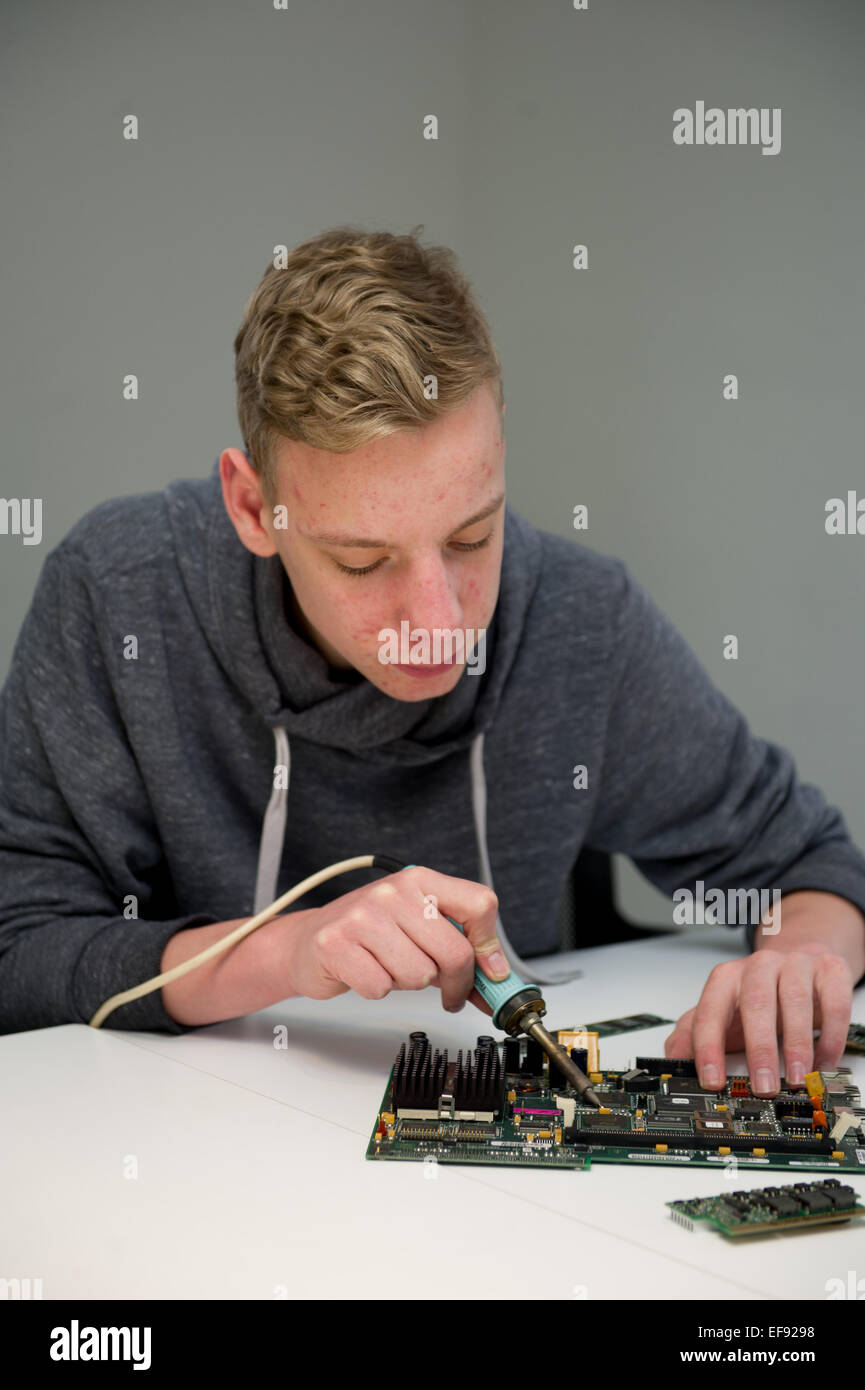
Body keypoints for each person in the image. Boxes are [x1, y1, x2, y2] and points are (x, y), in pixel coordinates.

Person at [1, 225, 863, 1101]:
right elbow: (17, 948)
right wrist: (286, 951)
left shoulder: (577, 617)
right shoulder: (119, 595)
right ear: (254, 507)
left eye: (471, 536)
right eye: (361, 561)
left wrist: (799, 961)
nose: (439, 624)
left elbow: (811, 867)